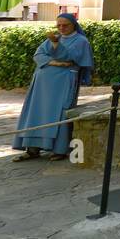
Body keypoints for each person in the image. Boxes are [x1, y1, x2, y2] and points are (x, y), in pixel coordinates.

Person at [12, 13, 94, 161]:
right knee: (36, 112)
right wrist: (54, 62)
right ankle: (32, 148)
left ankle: (59, 149)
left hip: (63, 83)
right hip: (41, 86)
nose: (61, 28)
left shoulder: (80, 41)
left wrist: (56, 46)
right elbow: (38, 55)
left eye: (65, 25)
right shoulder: (55, 38)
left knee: (59, 114)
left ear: (73, 25)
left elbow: (69, 57)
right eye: (59, 25)